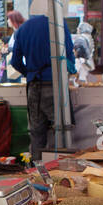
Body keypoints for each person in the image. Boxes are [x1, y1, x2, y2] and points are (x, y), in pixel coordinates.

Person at [11, 10, 76, 155]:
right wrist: (70, 71)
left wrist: (30, 73)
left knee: (36, 134)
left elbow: (15, 61)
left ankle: (35, 171)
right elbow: (70, 56)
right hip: (54, 85)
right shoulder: (58, 24)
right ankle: (60, 171)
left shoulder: (23, 29)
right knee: (62, 132)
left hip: (33, 86)